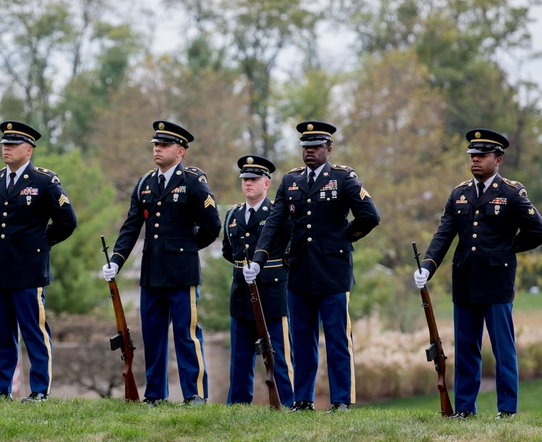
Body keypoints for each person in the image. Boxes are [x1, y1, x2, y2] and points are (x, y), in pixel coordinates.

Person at [413, 128, 542, 419]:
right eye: (472, 155)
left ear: (498, 160)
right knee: (465, 349)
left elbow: (539, 232)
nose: (475, 160)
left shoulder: (511, 192)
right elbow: (444, 235)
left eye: (482, 156)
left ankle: (507, 409)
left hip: (497, 283)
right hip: (465, 281)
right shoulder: (459, 194)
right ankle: (464, 408)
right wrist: (427, 265)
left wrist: (507, 249)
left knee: (503, 349)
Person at [246, 121, 380, 412]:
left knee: (336, 339)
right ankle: (303, 399)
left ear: (328, 149)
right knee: (302, 339)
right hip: (299, 270)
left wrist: (345, 237)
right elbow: (274, 222)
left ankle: (341, 399)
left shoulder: (342, 178)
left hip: (333, 271)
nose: (310, 151)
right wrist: (259, 258)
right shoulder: (291, 180)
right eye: (306, 147)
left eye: (316, 147)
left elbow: (370, 216)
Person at [0, 121, 77, 402]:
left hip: (28, 271)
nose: (6, 149)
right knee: (2, 332)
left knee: (34, 332)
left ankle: (39, 389)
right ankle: (1, 388)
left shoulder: (44, 181)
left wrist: (43, 243)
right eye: (4, 145)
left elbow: (67, 221)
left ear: (29, 149)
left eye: (13, 145)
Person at [102, 121, 221, 405]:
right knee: (153, 336)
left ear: (180, 151)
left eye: (164, 145)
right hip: (152, 273)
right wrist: (117, 260)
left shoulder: (192, 181)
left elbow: (212, 225)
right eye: (155, 144)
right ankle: (155, 394)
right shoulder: (145, 183)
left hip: (182, 273)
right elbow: (131, 226)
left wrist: (188, 249)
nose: (157, 149)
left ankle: (194, 394)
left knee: (186, 335)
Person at [221, 155, 294, 407]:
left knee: (279, 357)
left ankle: (286, 404)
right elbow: (227, 251)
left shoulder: (278, 213)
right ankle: (238, 406)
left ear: (267, 183)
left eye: (254, 179)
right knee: (240, 359)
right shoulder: (232, 214)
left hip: (272, 292)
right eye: (244, 179)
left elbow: (290, 248)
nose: (248, 184)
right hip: (241, 294)